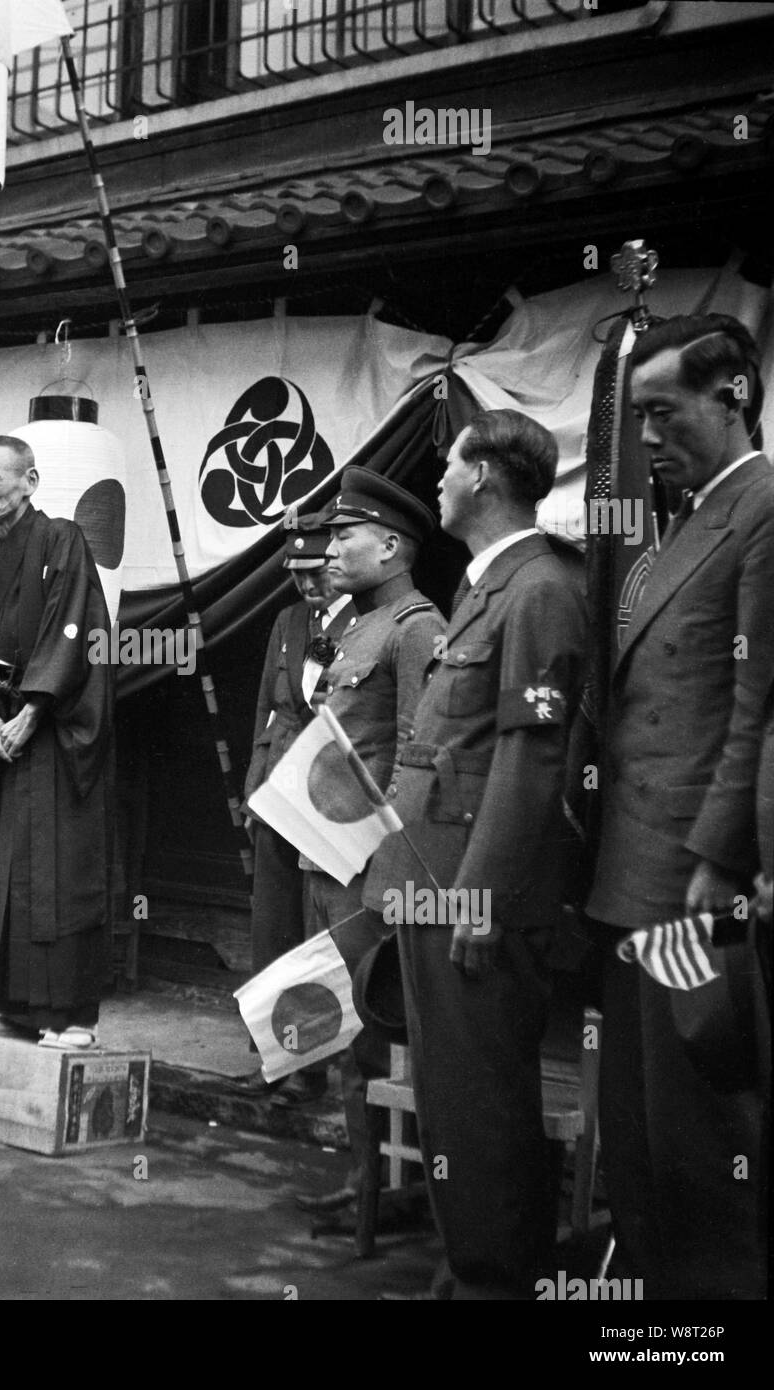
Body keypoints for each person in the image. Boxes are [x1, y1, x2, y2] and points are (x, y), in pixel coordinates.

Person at [363, 408, 587, 1299]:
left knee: (481, 1102)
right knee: (456, 1098)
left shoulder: (537, 588)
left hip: (468, 897)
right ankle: (474, 1272)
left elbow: (531, 755)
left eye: (450, 465)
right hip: (435, 884)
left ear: (485, 477)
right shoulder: (491, 584)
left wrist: (478, 898)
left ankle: (496, 1281)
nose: (441, 482)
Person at [585, 314, 773, 1299]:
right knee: (640, 1145)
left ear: (732, 391)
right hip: (627, 880)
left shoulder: (763, 510)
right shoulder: (673, 529)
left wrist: (715, 862)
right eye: (637, 414)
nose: (645, 435)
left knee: (702, 1153)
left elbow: (757, 704)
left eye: (662, 412)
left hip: (690, 887)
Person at [293, 468, 444, 1217]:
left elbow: (423, 753)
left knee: (380, 1025)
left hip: (370, 870)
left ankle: (403, 1190)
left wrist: (391, 869)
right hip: (322, 855)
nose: (331, 548)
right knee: (345, 1029)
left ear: (390, 545)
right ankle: (364, 1182)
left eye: (344, 535)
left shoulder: (417, 627)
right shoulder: (355, 625)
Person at [0, 436, 114, 1050]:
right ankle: (9, 1007)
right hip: (4, 739)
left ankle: (73, 1017)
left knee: (60, 877)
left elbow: (77, 628)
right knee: (6, 873)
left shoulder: (63, 541)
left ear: (30, 482)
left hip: (57, 736)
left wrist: (34, 710)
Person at [242, 517, 357, 1105]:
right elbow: (268, 709)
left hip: (331, 797)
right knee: (274, 929)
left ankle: (316, 1066)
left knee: (320, 935)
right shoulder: (290, 623)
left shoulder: (366, 623)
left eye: (317, 573)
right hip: (279, 792)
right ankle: (276, 1059)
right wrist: (254, 788)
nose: (309, 585)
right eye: (298, 575)